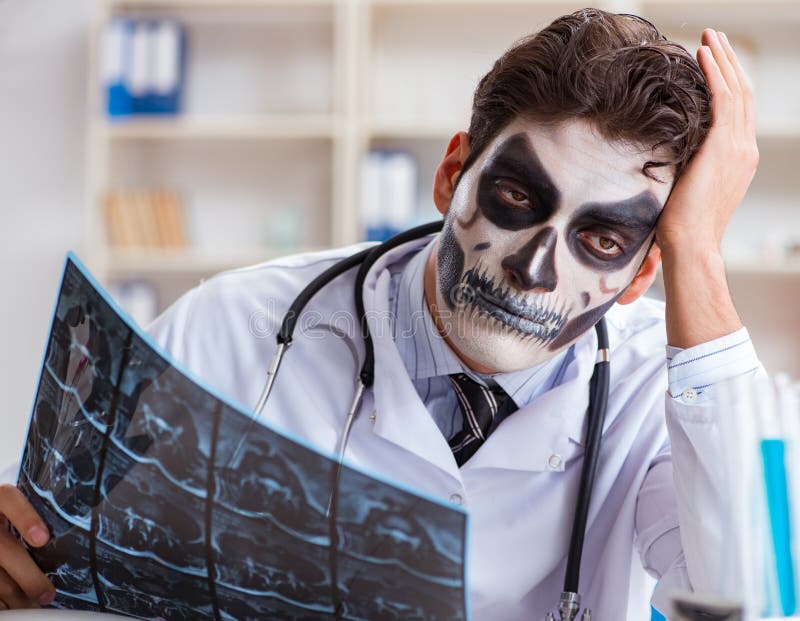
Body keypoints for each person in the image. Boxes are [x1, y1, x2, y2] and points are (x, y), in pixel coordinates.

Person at [0, 8, 761, 619]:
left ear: (641, 272)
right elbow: (50, 553)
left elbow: (747, 600)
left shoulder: (659, 393)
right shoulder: (234, 328)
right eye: (517, 198)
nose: (534, 271)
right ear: (452, 173)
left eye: (602, 238)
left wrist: (697, 251)